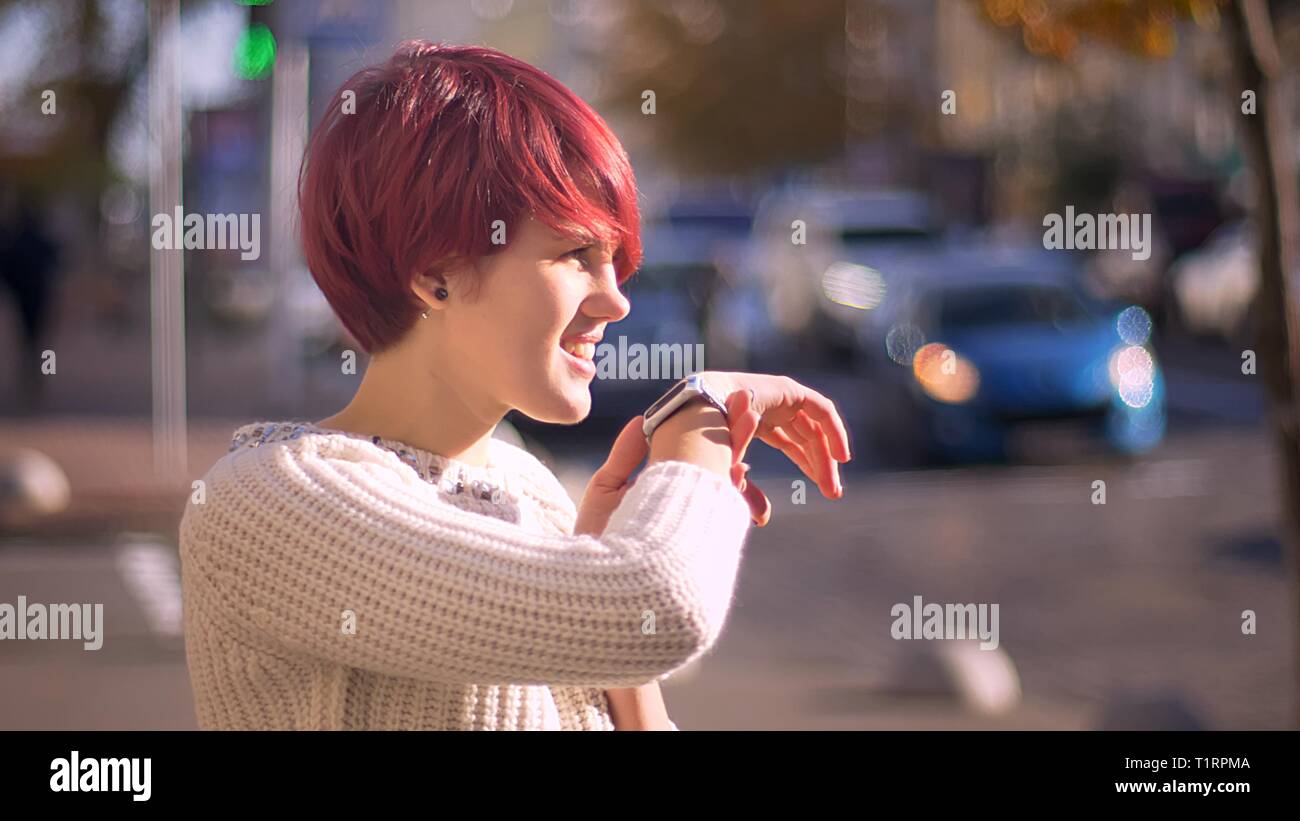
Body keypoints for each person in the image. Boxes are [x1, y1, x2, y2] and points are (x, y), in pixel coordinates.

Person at [178, 41, 851, 731]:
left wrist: (602, 607)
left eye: (616, 262)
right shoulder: (266, 502)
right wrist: (698, 423)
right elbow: (661, 603)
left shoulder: (532, 490)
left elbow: (637, 621)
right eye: (576, 255)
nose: (615, 300)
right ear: (436, 270)